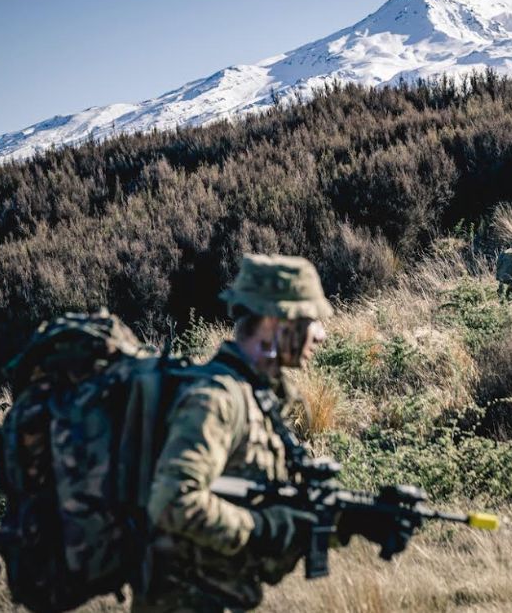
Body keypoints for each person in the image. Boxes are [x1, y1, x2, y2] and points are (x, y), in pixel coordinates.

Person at [135, 254, 411, 613]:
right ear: (275, 323)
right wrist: (260, 527)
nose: (321, 335)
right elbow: (173, 502)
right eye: (310, 321)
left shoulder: (257, 397)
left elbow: (263, 504)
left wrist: (353, 520)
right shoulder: (216, 400)